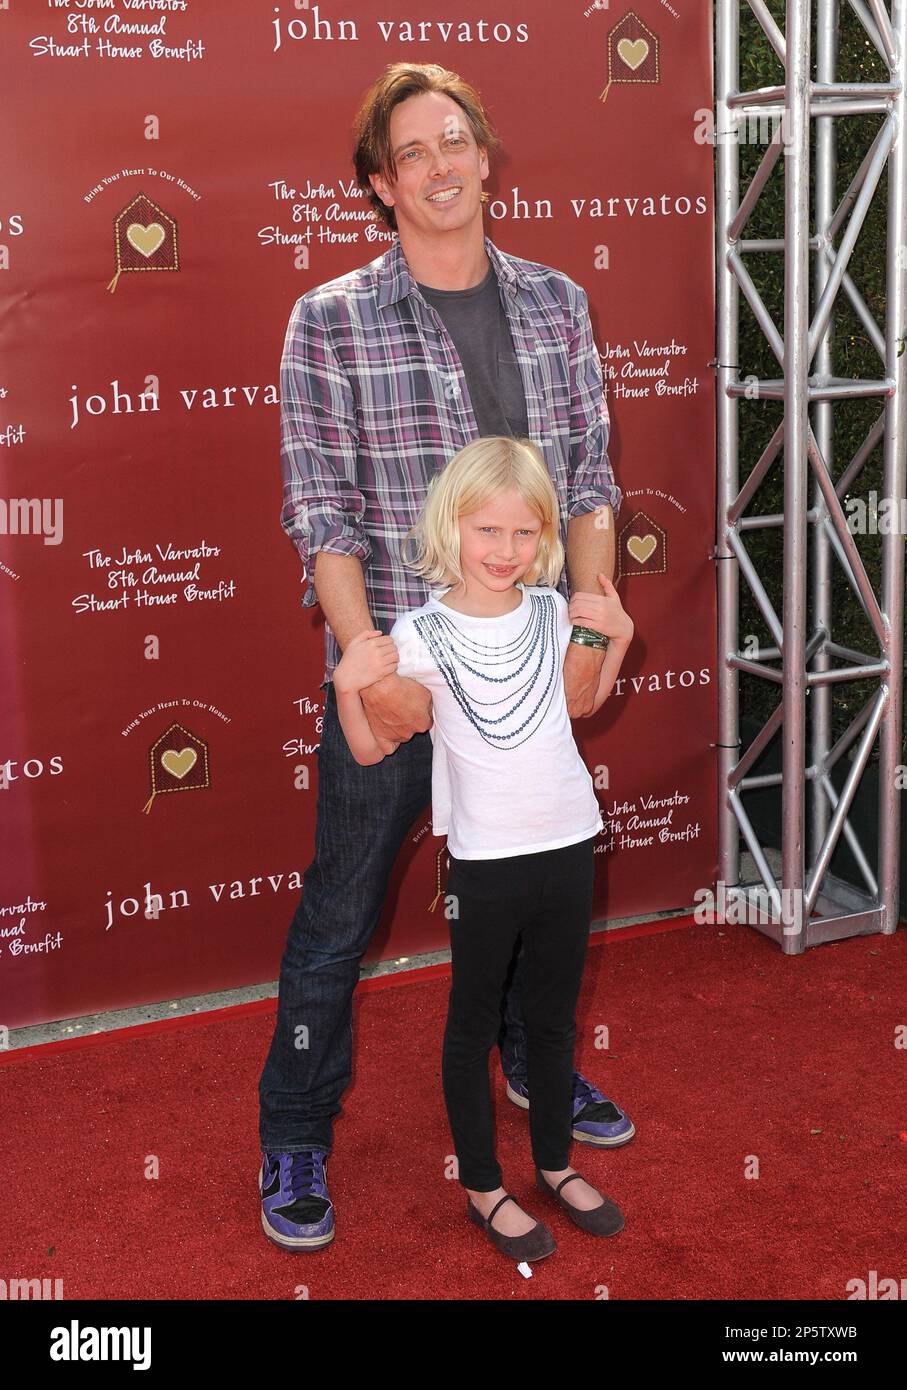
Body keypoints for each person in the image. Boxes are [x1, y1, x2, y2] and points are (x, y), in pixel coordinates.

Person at [258, 60, 633, 1255]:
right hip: (409, 660)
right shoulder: (327, 319)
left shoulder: (556, 302)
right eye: (410, 152)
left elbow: (587, 482)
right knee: (342, 908)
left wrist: (590, 606)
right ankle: (295, 1132)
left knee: (526, 889)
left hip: (524, 663)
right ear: (379, 182)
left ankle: (535, 1069)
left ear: (485, 156)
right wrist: (366, 658)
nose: (437, 165)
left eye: (453, 140)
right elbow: (321, 512)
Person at [332, 436, 634, 1259]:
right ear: (450, 526)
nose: (505, 551)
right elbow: (367, 750)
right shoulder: (420, 632)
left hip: (569, 841)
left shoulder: (553, 611)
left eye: (524, 533)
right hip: (484, 861)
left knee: (551, 1020)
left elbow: (585, 705)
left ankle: (553, 1165)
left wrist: (620, 634)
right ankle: (482, 1186)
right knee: (472, 1022)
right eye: (486, 531)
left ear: (544, 536)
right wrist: (346, 684)